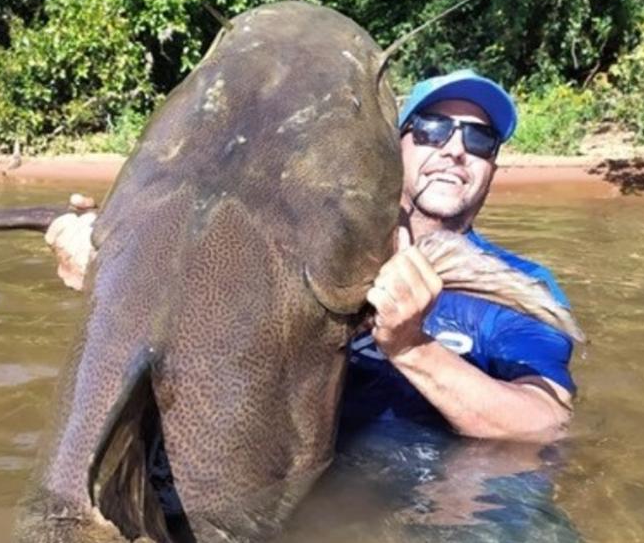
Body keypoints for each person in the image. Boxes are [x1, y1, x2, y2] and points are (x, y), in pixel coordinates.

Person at [44, 69, 576, 444]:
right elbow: (188, 345)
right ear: (393, 151)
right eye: (434, 129)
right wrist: (113, 269)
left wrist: (413, 348)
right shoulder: (285, 250)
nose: (455, 150)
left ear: (492, 170)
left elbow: (545, 424)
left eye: (480, 140)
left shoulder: (522, 284)